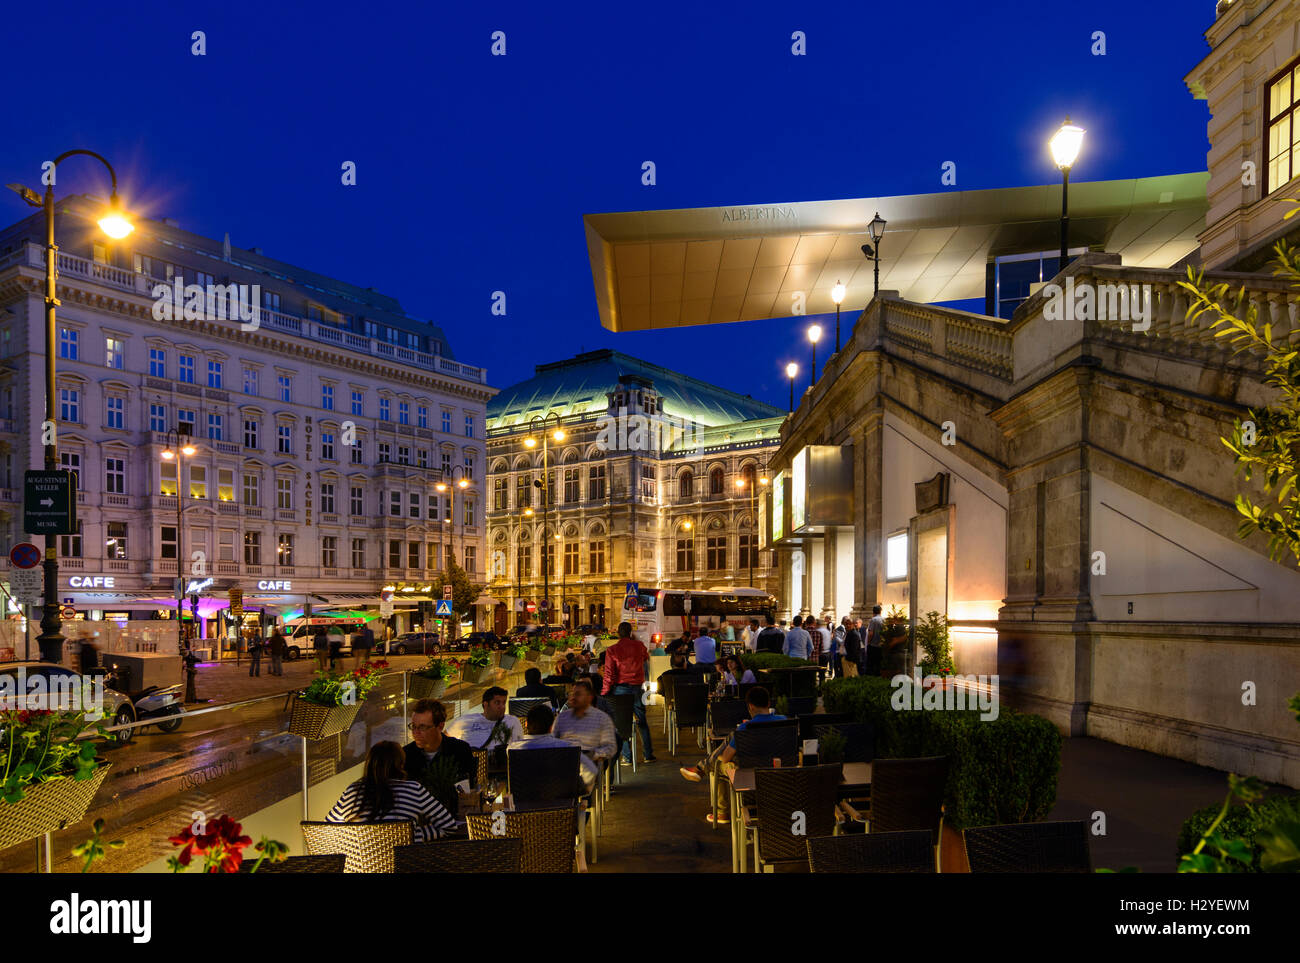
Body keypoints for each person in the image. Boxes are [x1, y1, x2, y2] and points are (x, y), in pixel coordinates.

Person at [679, 686, 788, 825]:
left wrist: (721, 753)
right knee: (731, 737)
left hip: (748, 776)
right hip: (779, 772)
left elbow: (726, 758)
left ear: (750, 706)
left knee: (719, 764)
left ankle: (721, 811)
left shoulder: (745, 728)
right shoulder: (784, 720)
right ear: (768, 703)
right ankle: (701, 768)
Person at [326, 741, 457, 842]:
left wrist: (355, 838)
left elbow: (327, 827)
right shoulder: (413, 789)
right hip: (403, 866)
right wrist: (414, 835)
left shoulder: (353, 791)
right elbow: (449, 826)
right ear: (400, 764)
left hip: (360, 867)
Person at [403, 698, 477, 813]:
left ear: (440, 726)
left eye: (422, 727)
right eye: (413, 726)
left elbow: (467, 791)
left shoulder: (459, 750)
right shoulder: (405, 755)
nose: (416, 732)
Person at [509, 704, 599, 795]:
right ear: (552, 727)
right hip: (562, 802)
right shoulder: (566, 747)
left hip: (524, 803)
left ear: (526, 724)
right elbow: (591, 770)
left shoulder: (513, 748)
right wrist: (579, 790)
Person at [601, 621, 655, 765]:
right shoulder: (639, 646)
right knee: (642, 721)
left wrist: (605, 692)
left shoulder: (612, 650)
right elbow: (645, 658)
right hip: (638, 688)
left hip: (620, 689)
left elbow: (609, 674)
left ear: (618, 633)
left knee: (622, 723)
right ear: (631, 632)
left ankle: (627, 757)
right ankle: (648, 754)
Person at [552, 677, 617, 764]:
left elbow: (610, 747)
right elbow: (553, 740)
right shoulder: (562, 717)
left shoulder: (601, 718)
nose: (573, 697)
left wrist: (592, 755)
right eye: (572, 694)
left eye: (578, 694)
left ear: (589, 697)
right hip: (565, 761)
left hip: (591, 762)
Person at [445, 686, 525, 751]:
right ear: (486, 704)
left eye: (504, 702)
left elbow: (518, 748)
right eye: (497, 703)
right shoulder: (465, 721)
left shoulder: (512, 721)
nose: (502, 707)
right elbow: (445, 739)